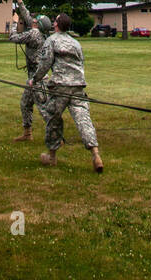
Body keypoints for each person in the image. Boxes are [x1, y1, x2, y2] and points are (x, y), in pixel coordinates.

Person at [31, 13, 103, 173]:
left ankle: (52, 155)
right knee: (83, 120)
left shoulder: (52, 41)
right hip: (78, 86)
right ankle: (95, 154)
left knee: (53, 119)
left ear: (56, 25)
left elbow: (44, 64)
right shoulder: (76, 43)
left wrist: (34, 79)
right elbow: (81, 62)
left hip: (60, 87)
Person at [9, 0, 51, 141]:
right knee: (25, 104)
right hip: (33, 77)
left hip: (38, 79)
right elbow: (26, 15)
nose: (32, 20)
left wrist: (13, 24)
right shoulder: (40, 32)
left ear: (37, 25)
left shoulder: (34, 34)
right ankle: (27, 134)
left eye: (35, 20)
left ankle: (55, 136)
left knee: (44, 109)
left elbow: (13, 38)